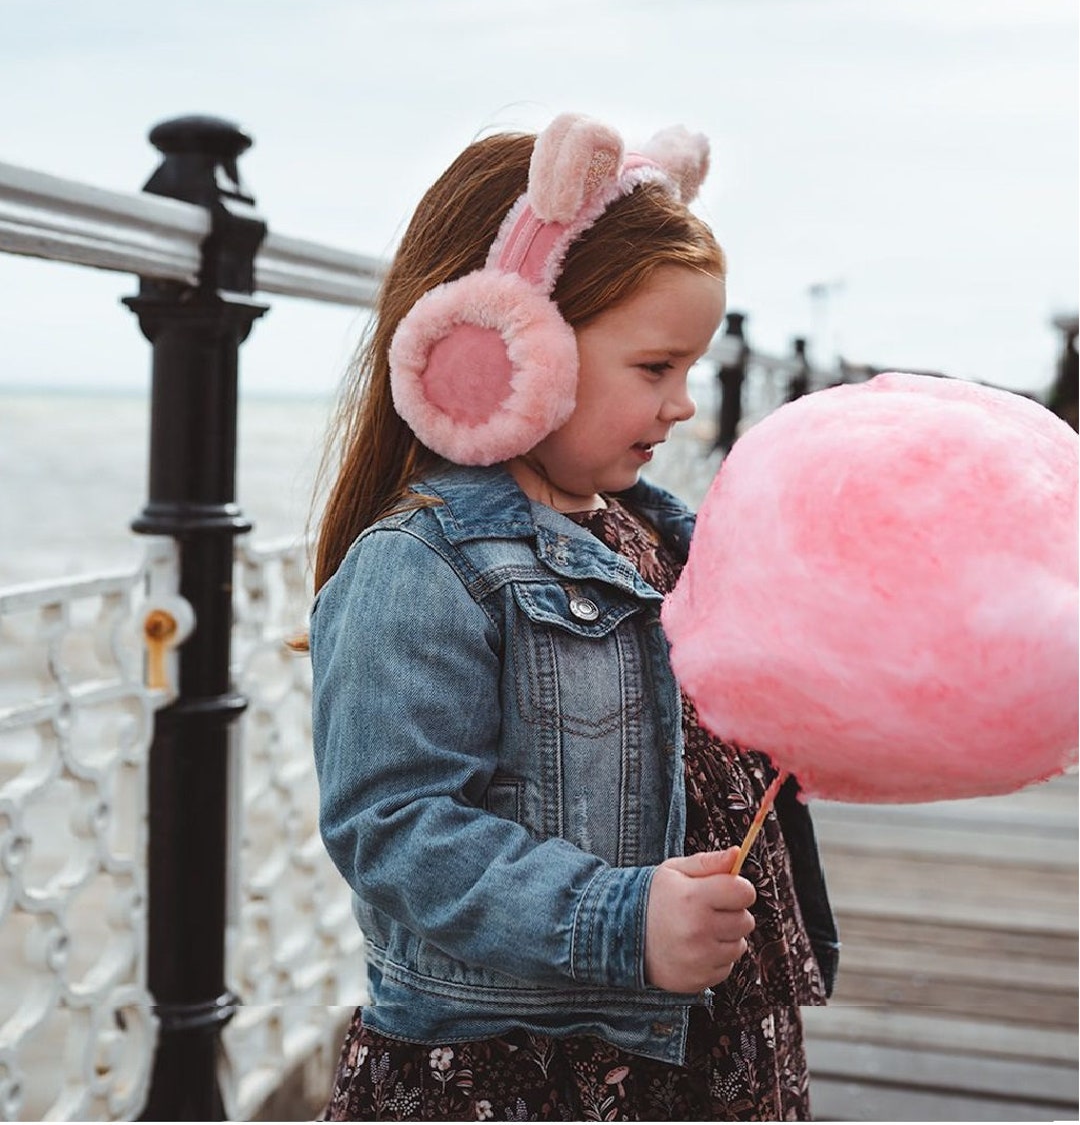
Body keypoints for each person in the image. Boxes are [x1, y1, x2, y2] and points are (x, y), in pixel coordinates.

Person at [308, 112, 839, 1122]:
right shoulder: (423, 566)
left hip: (706, 1040)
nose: (686, 405)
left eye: (693, 368)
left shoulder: (657, 535)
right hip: (538, 1068)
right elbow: (397, 829)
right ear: (503, 355)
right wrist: (623, 920)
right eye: (655, 368)